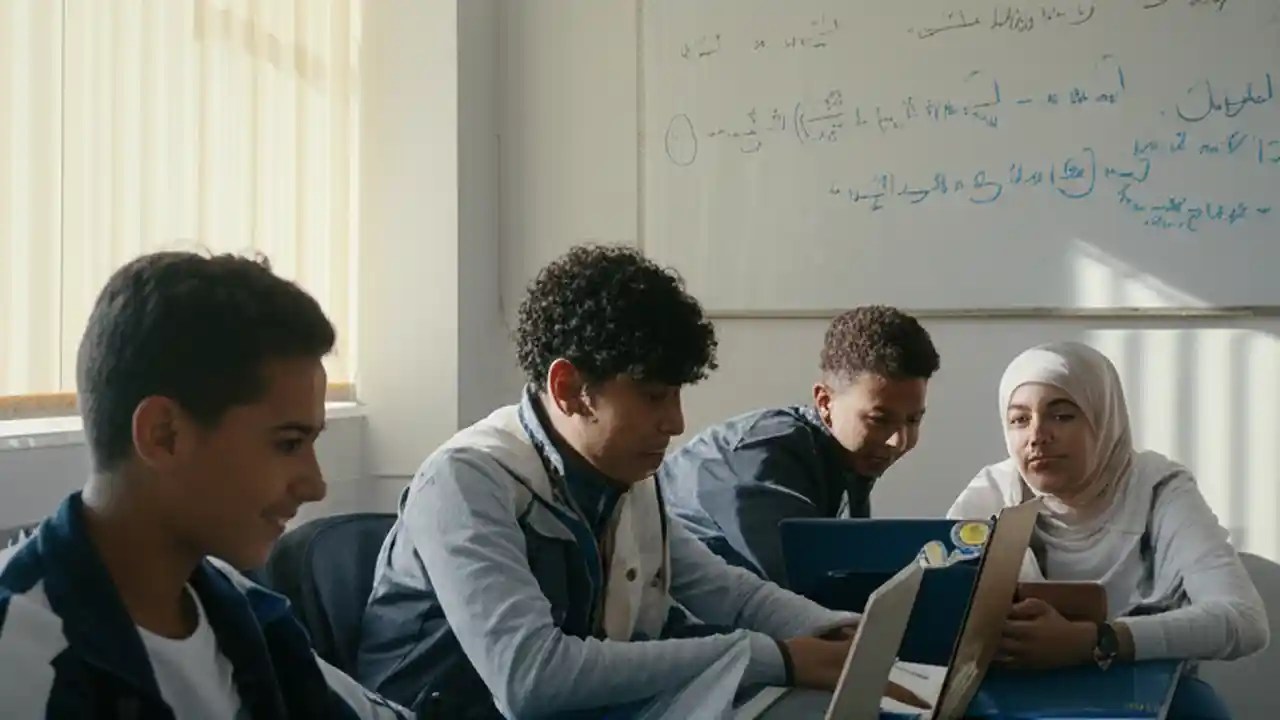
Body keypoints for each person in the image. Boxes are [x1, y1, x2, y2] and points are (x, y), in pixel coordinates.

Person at [357, 246, 924, 719]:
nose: (676, 423)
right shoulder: (467, 482)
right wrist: (774, 656)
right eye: (654, 397)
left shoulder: (619, 478)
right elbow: (530, 677)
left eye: (677, 396)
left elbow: (723, 588)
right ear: (569, 388)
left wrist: (843, 632)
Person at [0, 252, 408, 718]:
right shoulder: (23, 661)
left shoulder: (240, 608)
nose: (315, 486)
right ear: (164, 435)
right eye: (288, 444)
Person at [948, 341, 1268, 717]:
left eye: (1062, 415)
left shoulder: (1157, 489)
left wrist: (1094, 641)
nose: (1037, 436)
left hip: (1139, 686)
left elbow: (1245, 621)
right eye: (1019, 419)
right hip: (1017, 688)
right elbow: (935, 598)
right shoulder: (996, 491)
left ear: (1103, 417)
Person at [660, 305, 939, 584]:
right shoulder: (761, 459)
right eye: (879, 420)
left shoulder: (847, 459)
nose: (899, 440)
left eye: (913, 420)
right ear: (824, 402)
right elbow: (802, 592)